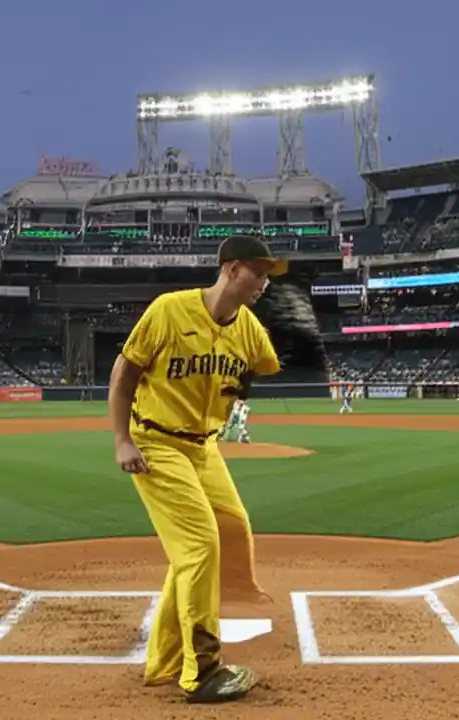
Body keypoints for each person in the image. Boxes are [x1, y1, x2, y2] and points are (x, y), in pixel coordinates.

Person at [107, 235, 285, 704]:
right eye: (259, 273)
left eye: (267, 275)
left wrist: (232, 385)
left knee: (229, 529)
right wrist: (122, 440)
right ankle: (201, 671)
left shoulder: (247, 325)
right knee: (201, 544)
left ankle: (164, 661)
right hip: (155, 442)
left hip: (203, 449)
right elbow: (124, 373)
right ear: (231, 270)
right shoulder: (169, 310)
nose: (265, 283)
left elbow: (264, 364)